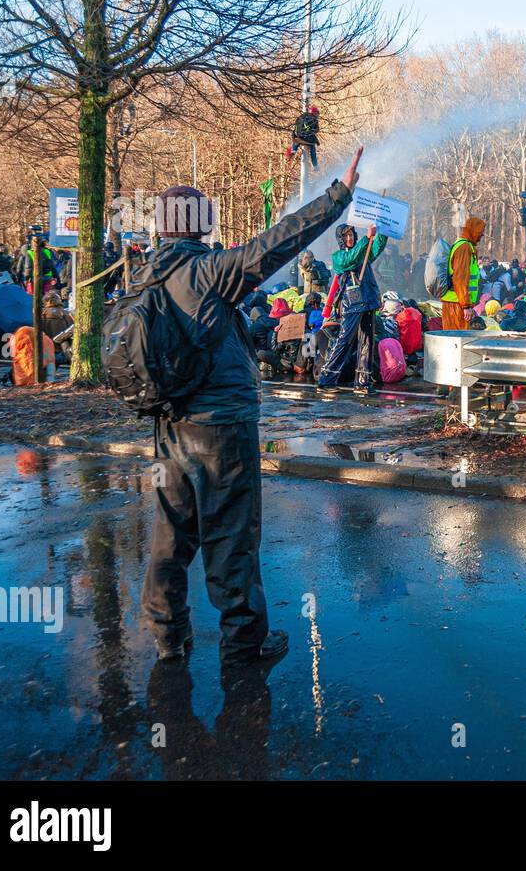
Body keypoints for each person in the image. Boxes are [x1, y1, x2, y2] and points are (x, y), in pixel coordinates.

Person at [141, 147, 363, 666]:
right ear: (200, 227)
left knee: (171, 533)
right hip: (221, 428)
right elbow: (279, 242)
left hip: (169, 425)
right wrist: (338, 195)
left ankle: (167, 638)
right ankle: (244, 643)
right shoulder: (208, 271)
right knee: (232, 535)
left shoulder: (145, 275)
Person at [317, 222, 387, 393]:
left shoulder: (362, 251)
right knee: (345, 340)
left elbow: (376, 248)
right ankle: (327, 379)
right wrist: (367, 237)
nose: (350, 238)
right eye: (346, 236)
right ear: (340, 239)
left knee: (367, 342)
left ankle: (363, 381)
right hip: (352, 304)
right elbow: (352, 259)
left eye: (351, 235)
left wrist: (383, 231)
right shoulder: (338, 257)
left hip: (368, 302)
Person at [442, 217, 485, 330]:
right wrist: (466, 306)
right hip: (457, 304)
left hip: (457, 302)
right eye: (480, 232)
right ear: (473, 231)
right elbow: (460, 279)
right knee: (457, 340)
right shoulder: (464, 248)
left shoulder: (463, 245)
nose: (482, 236)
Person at [289, 105, 320, 169]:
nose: (317, 115)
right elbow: (314, 130)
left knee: (296, 141)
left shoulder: (302, 117)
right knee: (312, 148)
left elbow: (296, 127)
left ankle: (293, 150)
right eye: (316, 113)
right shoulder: (313, 119)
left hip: (298, 137)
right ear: (314, 113)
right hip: (307, 139)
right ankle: (315, 165)